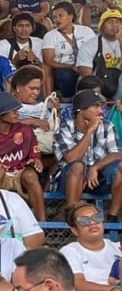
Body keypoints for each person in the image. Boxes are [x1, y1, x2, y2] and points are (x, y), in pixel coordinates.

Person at [0, 91, 46, 221]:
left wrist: (36, 159)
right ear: (0, 115)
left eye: (16, 110)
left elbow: (34, 153)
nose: (17, 113)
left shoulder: (25, 130)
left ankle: (43, 223)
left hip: (20, 173)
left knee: (30, 175)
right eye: (12, 111)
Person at [54, 89, 122, 218]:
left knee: (120, 167)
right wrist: (90, 131)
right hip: (69, 179)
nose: (101, 111)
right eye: (96, 106)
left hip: (96, 180)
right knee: (78, 166)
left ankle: (112, 217)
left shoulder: (107, 126)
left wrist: (95, 168)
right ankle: (73, 217)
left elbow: (117, 153)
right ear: (81, 110)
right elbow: (71, 158)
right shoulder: (64, 129)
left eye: (101, 106)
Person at [59, 202, 121, 291]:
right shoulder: (70, 251)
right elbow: (79, 287)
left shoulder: (117, 248)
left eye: (97, 217)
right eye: (84, 221)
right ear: (75, 230)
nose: (92, 222)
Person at [42, 2, 95, 97]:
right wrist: (70, 66)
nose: (57, 19)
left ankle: (93, 97)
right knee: (65, 76)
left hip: (86, 65)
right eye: (54, 17)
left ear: (70, 16)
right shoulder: (50, 36)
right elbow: (49, 61)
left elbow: (96, 50)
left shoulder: (86, 31)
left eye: (60, 15)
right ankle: (69, 99)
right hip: (64, 68)